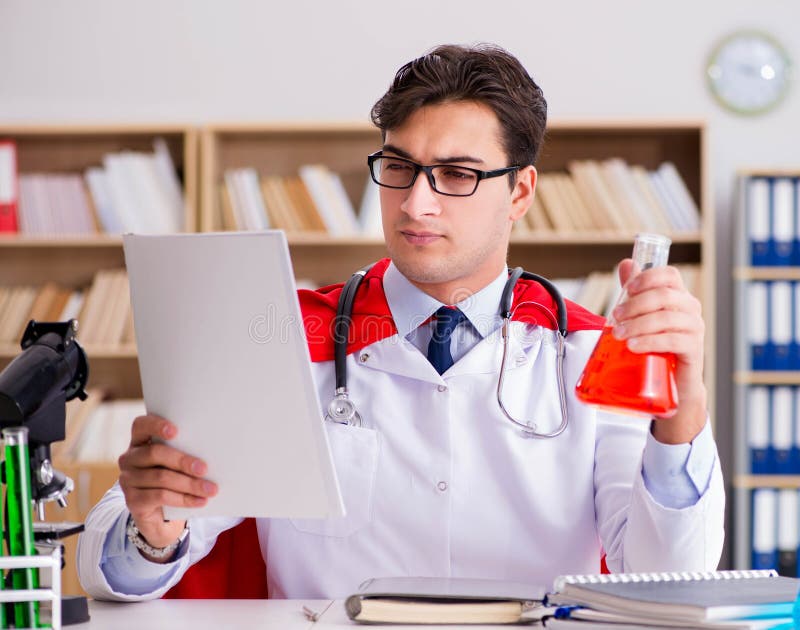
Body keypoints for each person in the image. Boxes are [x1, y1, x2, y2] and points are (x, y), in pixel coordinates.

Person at [77, 43, 724, 601]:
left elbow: (670, 578)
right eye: (399, 168)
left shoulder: (587, 351)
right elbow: (114, 566)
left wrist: (682, 409)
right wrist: (154, 532)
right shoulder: (282, 335)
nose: (416, 203)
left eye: (456, 175)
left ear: (521, 192)